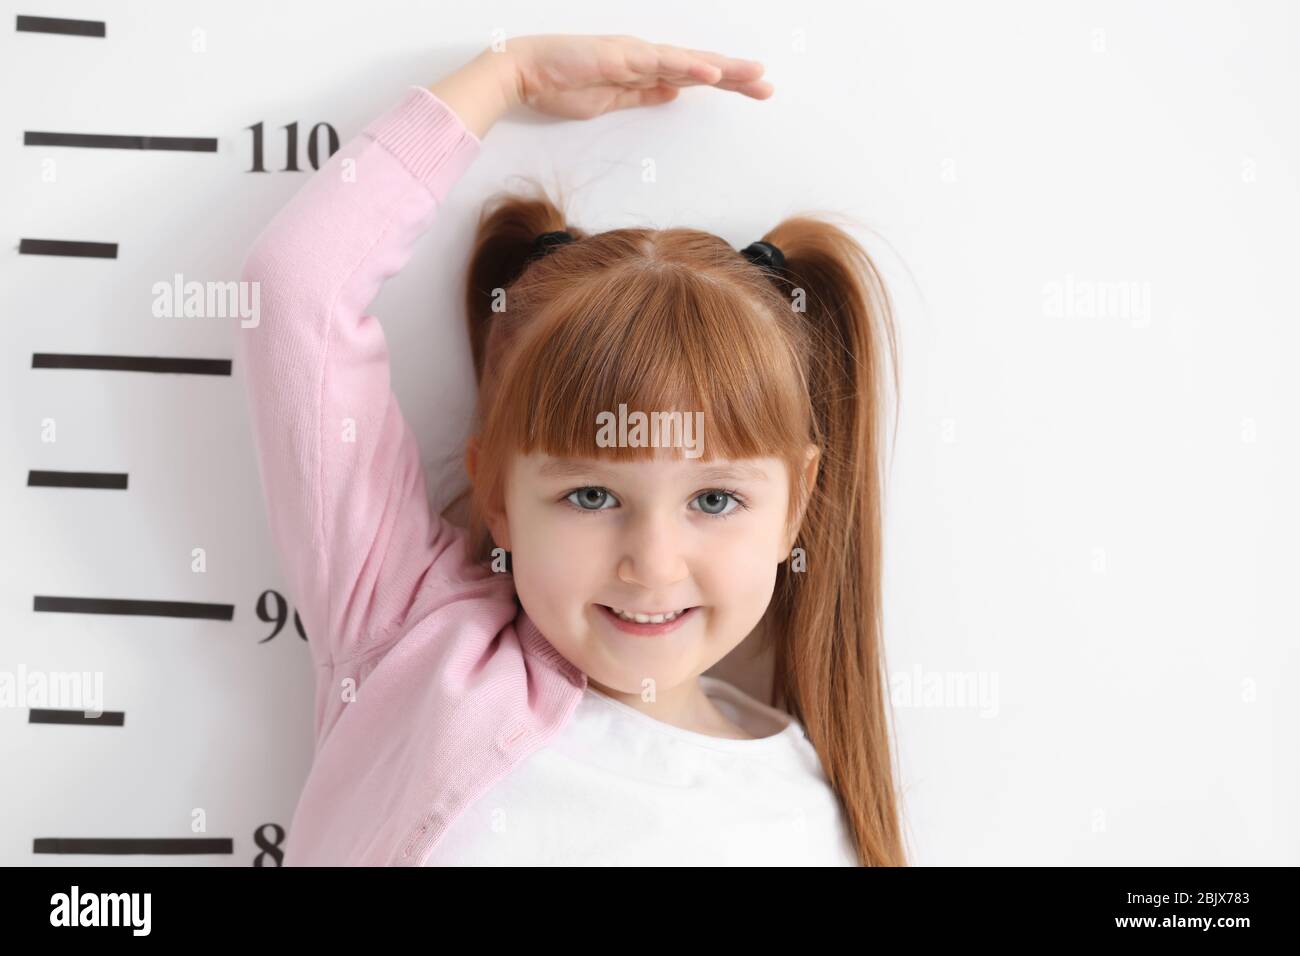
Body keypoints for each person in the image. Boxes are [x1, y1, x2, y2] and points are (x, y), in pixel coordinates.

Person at [237, 33, 905, 865]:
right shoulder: (415, 638)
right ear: (498, 496)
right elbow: (295, 288)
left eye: (714, 499)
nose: (652, 566)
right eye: (592, 496)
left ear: (797, 503)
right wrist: (504, 77)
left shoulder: (802, 816)